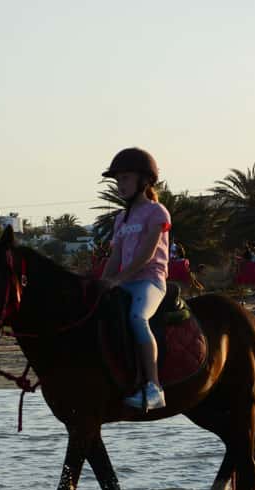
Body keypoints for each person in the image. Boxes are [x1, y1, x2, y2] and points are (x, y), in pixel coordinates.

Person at [99, 147, 171, 411]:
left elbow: (146, 255)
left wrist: (118, 280)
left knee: (137, 318)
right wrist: (101, 283)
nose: (120, 185)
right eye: (118, 180)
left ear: (143, 180)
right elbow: (115, 256)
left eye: (126, 178)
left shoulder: (157, 212)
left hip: (150, 281)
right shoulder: (121, 218)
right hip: (124, 281)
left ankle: (154, 387)